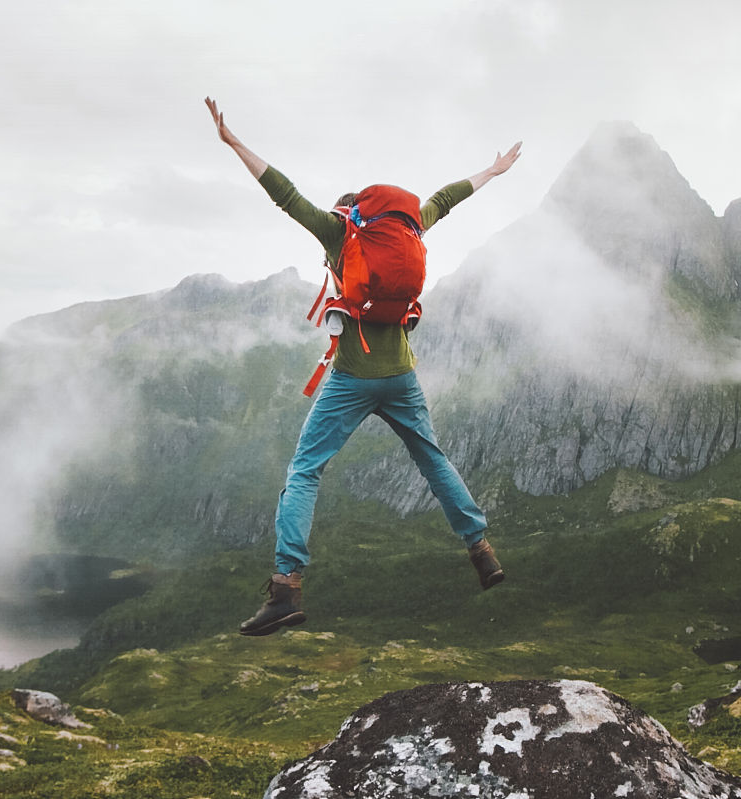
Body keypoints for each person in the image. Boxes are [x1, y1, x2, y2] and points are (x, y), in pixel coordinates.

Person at [204, 97, 521, 637]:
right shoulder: (409, 227)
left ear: (346, 216)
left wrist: (234, 144)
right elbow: (447, 197)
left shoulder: (337, 235)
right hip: (402, 377)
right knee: (434, 460)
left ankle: (286, 588)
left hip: (351, 378)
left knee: (305, 470)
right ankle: (482, 551)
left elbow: (283, 193)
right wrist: (493, 170)